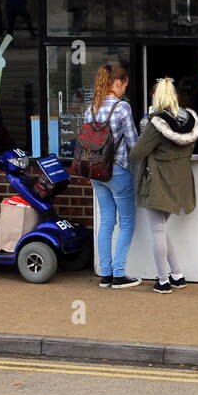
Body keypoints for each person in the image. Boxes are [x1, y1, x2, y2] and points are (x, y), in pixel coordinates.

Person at [130, 78, 198, 294]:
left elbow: (136, 153)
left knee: (157, 230)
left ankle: (162, 280)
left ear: (156, 97)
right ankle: (177, 275)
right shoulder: (190, 120)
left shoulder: (155, 123)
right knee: (161, 229)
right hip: (181, 181)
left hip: (159, 181)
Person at [86, 63, 141, 288]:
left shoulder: (91, 108)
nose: (125, 90)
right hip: (117, 170)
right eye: (125, 85)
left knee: (107, 221)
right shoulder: (122, 108)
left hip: (95, 171)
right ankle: (119, 274)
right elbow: (133, 143)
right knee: (127, 222)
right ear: (117, 83)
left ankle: (105, 274)